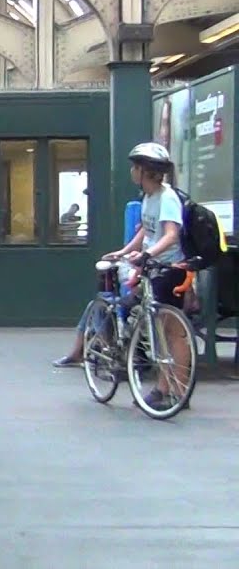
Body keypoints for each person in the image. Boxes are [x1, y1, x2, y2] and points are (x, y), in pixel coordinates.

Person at [56, 143, 194, 412]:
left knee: (172, 332)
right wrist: (124, 251)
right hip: (150, 268)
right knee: (142, 317)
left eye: (135, 167)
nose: (132, 171)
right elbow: (145, 231)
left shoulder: (166, 198)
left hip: (168, 269)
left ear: (145, 171)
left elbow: (170, 234)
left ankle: (175, 389)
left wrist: (147, 254)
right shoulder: (149, 197)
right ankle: (158, 380)